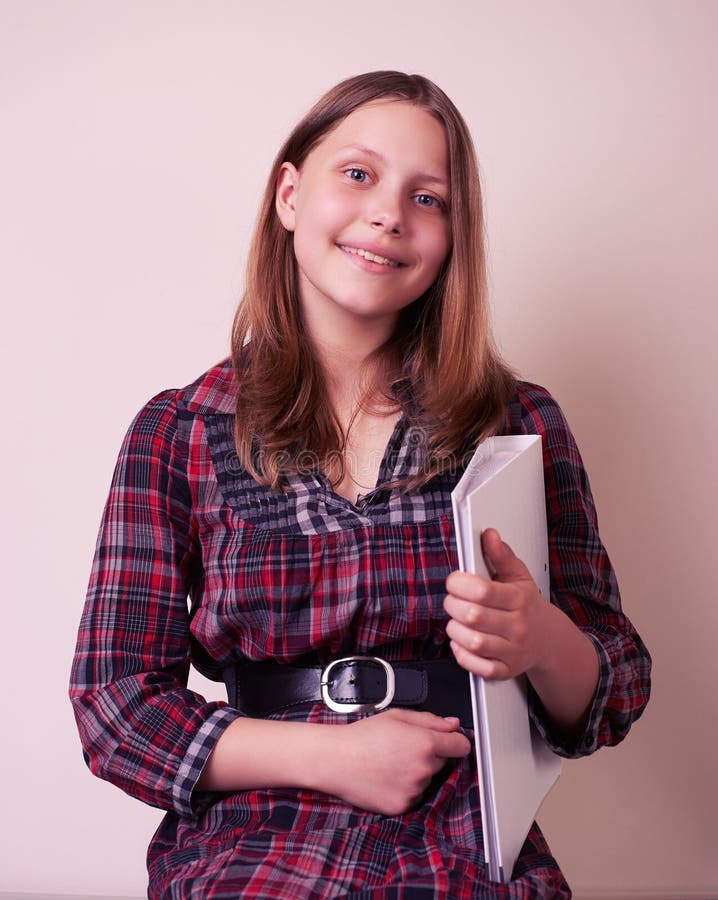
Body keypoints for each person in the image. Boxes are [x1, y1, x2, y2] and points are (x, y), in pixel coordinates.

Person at [70, 71, 651, 898]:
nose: (389, 212)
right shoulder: (181, 431)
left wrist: (543, 639)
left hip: (470, 840)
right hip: (256, 844)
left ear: (453, 238)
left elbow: (618, 683)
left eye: (430, 198)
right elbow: (115, 705)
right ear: (289, 195)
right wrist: (338, 758)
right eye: (359, 174)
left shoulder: (518, 422)